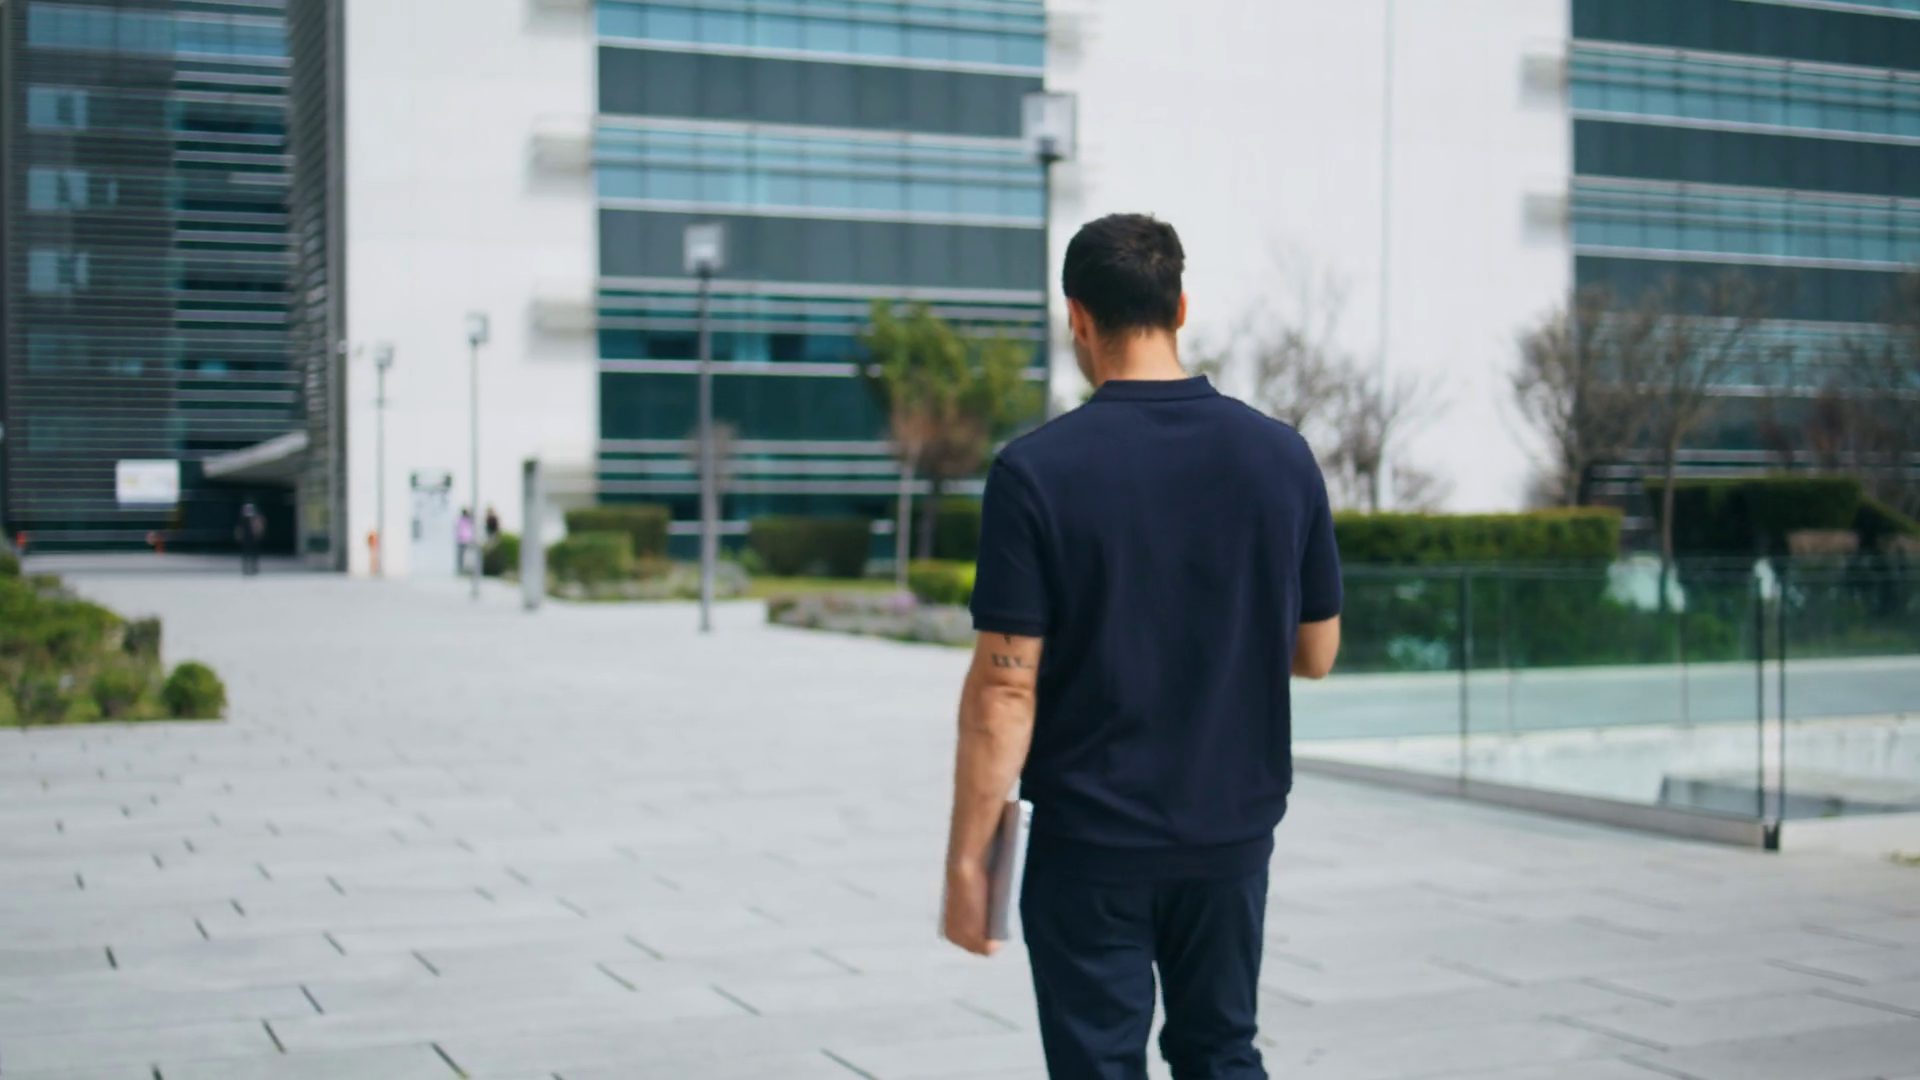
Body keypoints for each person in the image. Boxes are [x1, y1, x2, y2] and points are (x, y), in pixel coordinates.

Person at [941, 214, 1343, 1080]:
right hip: (1231, 839)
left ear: (1077, 318)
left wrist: (971, 864)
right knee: (1221, 1052)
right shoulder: (1283, 458)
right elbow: (1316, 654)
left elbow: (1004, 694)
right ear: (1182, 306)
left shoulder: (1034, 472)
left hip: (1091, 845)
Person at [235, 501, 266, 576]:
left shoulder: (254, 518)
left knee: (252, 554)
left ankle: (252, 568)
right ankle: (248, 569)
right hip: (248, 538)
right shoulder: (244, 519)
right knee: (247, 554)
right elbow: (240, 528)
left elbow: (259, 527)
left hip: (252, 538)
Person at [456, 509, 476, 574]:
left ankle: (465, 569)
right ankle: (461, 569)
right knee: (462, 556)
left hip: (466, 540)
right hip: (463, 540)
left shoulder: (468, 521)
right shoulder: (462, 520)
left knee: (465, 556)